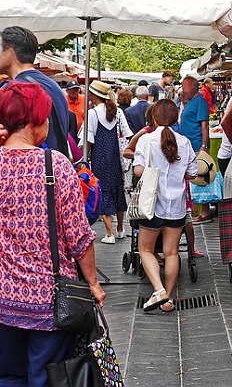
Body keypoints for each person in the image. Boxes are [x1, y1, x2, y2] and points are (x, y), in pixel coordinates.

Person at [0, 81, 106, 386]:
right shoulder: (55, 165)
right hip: (49, 302)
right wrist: (94, 284)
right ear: (34, 120)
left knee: (7, 377)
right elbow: (79, 237)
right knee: (47, 377)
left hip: (3, 299)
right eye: (45, 117)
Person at [133, 99, 198, 313]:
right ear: (175, 118)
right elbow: (193, 173)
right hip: (177, 205)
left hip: (152, 205)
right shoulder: (185, 142)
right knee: (171, 252)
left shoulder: (146, 140)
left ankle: (158, 290)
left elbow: (138, 171)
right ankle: (168, 299)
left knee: (145, 249)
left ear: (154, 117)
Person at [0, 26, 70, 155]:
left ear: (10, 51)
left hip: (25, 170)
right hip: (54, 168)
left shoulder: (13, 92)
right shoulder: (55, 87)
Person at [82, 80, 133, 243]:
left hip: (100, 156)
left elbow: (88, 139)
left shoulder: (93, 113)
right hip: (115, 157)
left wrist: (84, 159)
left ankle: (109, 233)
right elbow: (126, 134)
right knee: (117, 190)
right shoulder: (117, 112)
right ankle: (120, 229)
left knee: (102, 190)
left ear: (94, 96)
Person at [178, 76, 212, 223]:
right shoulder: (191, 101)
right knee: (194, 179)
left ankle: (204, 212)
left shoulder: (200, 102)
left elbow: (204, 125)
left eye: (184, 87)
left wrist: (204, 146)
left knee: (201, 178)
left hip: (197, 145)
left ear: (193, 87)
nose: (183, 90)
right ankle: (197, 210)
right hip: (189, 146)